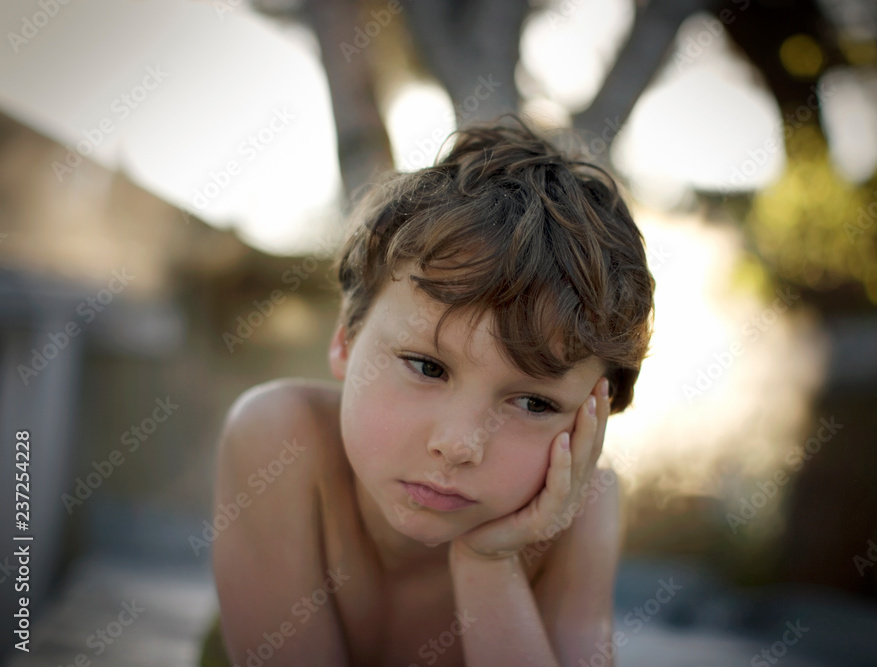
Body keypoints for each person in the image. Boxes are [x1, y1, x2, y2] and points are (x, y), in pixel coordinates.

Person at [208, 118, 656, 666]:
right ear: (346, 340)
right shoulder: (278, 439)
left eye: (535, 403)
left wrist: (488, 562)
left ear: (592, 419)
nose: (460, 444)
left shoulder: (579, 512)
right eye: (426, 366)